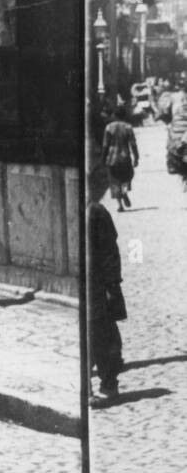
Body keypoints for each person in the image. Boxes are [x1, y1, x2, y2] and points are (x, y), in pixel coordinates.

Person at [87, 158, 125, 405]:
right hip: (97, 288)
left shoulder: (91, 212)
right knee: (104, 337)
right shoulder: (97, 212)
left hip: (91, 287)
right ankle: (108, 384)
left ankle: (100, 386)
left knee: (96, 337)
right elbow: (110, 253)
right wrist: (113, 286)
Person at [102, 104, 139, 210]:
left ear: (114, 115)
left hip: (112, 158)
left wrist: (103, 159)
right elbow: (133, 144)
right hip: (125, 158)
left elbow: (105, 145)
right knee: (128, 176)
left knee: (114, 180)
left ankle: (120, 205)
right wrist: (136, 158)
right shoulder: (128, 127)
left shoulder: (108, 127)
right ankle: (124, 191)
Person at [159, 80, 187, 194]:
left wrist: (169, 123)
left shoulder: (172, 97)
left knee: (173, 148)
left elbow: (164, 112)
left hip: (177, 133)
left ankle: (182, 175)